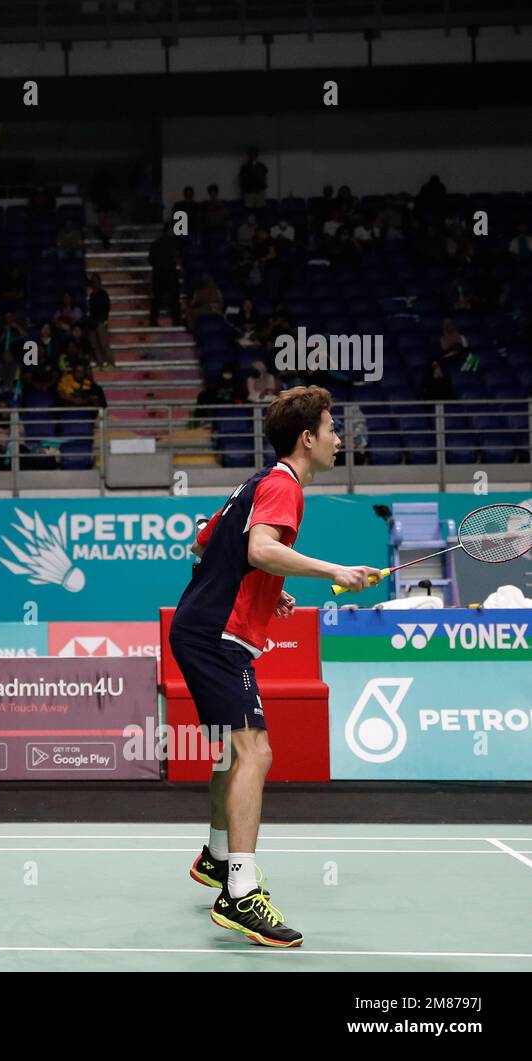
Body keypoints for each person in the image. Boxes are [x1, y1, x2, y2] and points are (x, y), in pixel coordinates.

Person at [172, 387, 379, 946]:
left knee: (230, 749)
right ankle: (240, 894)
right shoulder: (284, 486)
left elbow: (203, 545)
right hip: (219, 636)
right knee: (255, 751)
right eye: (333, 429)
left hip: (201, 626)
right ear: (307, 439)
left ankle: (218, 858)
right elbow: (259, 548)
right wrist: (332, 569)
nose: (340, 439)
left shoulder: (256, 482)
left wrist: (267, 591)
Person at [147, 222, 183, 327]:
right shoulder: (174, 243)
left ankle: (153, 321)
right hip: (170, 274)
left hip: (158, 275)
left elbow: (150, 260)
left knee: (157, 299)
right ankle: (176, 321)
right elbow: (177, 258)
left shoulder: (156, 243)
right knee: (174, 299)